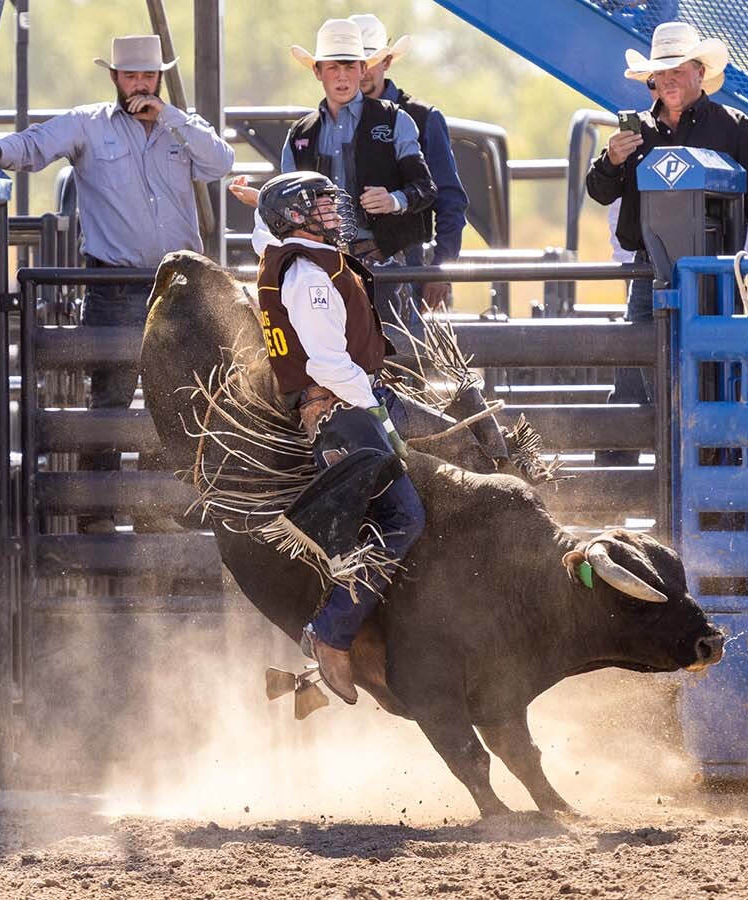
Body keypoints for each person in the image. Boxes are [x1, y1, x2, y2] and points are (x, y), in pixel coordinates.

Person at [0, 35, 235, 532]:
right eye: (132, 75)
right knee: (109, 399)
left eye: (148, 75)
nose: (141, 84)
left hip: (177, 285)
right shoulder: (88, 124)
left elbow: (220, 162)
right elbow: (38, 142)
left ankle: (158, 509)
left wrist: (168, 117)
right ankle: (98, 512)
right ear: (115, 79)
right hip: (116, 284)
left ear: (159, 78)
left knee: (182, 395)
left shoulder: (181, 128)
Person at [254, 171, 425, 705]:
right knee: (405, 518)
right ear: (295, 218)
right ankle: (332, 631)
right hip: (343, 409)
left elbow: (265, 236)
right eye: (321, 207)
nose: (334, 212)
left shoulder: (292, 255)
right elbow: (328, 362)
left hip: (349, 401)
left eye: (331, 204)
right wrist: (378, 411)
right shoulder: (307, 274)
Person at [585, 21, 748, 412]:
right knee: (639, 369)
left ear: (700, 71)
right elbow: (599, 191)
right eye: (660, 72)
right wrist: (611, 160)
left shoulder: (735, 127)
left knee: (713, 372)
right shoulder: (635, 134)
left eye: (677, 69)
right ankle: (637, 464)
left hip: (716, 273)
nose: (668, 79)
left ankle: (706, 455)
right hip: (650, 270)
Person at [281, 18, 438, 342]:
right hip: (318, 267)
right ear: (318, 72)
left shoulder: (395, 120)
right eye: (333, 67)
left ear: (362, 69)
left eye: (349, 66)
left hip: (380, 265)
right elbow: (283, 203)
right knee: (326, 361)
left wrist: (394, 200)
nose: (342, 76)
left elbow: (425, 189)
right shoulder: (301, 133)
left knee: (388, 357)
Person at [352, 13, 470, 313]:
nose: (363, 72)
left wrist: (441, 270)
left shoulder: (422, 117)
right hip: (348, 270)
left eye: (371, 61)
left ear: (387, 62)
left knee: (408, 352)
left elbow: (449, 201)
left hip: (411, 270)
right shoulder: (331, 121)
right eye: (354, 63)